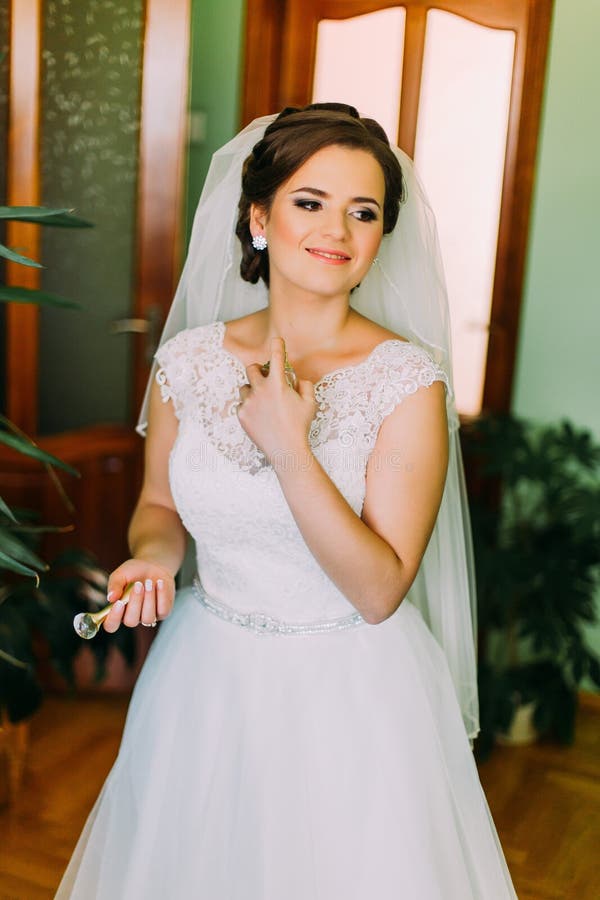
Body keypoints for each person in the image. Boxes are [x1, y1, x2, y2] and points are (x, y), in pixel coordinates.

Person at [55, 103, 518, 898]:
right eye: (311, 201)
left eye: (363, 210)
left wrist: (290, 448)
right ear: (259, 215)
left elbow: (379, 591)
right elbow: (160, 504)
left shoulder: (407, 382)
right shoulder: (188, 360)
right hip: (207, 677)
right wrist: (154, 558)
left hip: (351, 693)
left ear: (379, 239)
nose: (338, 227)